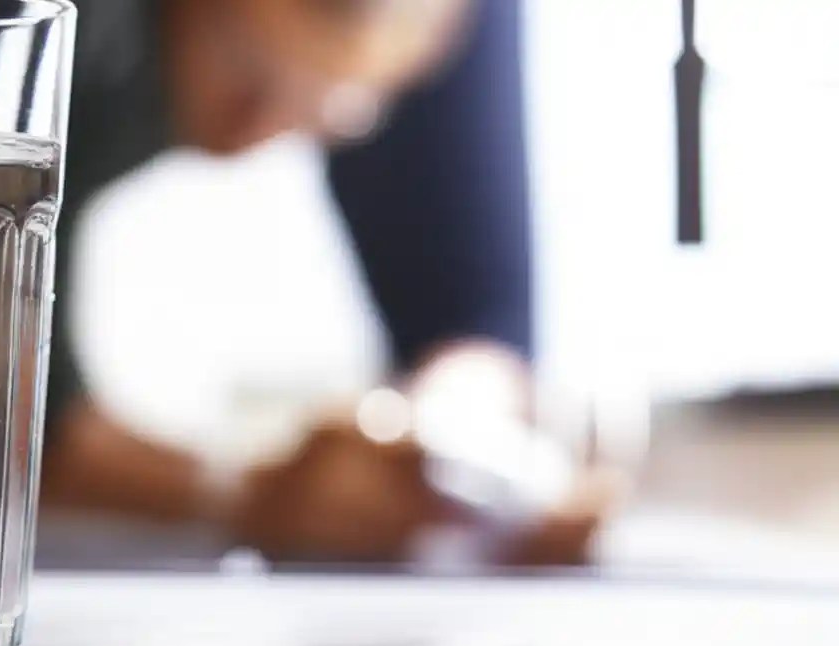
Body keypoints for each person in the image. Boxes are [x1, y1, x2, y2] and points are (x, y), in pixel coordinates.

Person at [38, 0, 623, 566]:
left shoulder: (435, 28)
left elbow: (474, 319)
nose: (256, 136)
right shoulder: (38, 44)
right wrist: (240, 492)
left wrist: (443, 457)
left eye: (336, 104)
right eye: (249, 75)